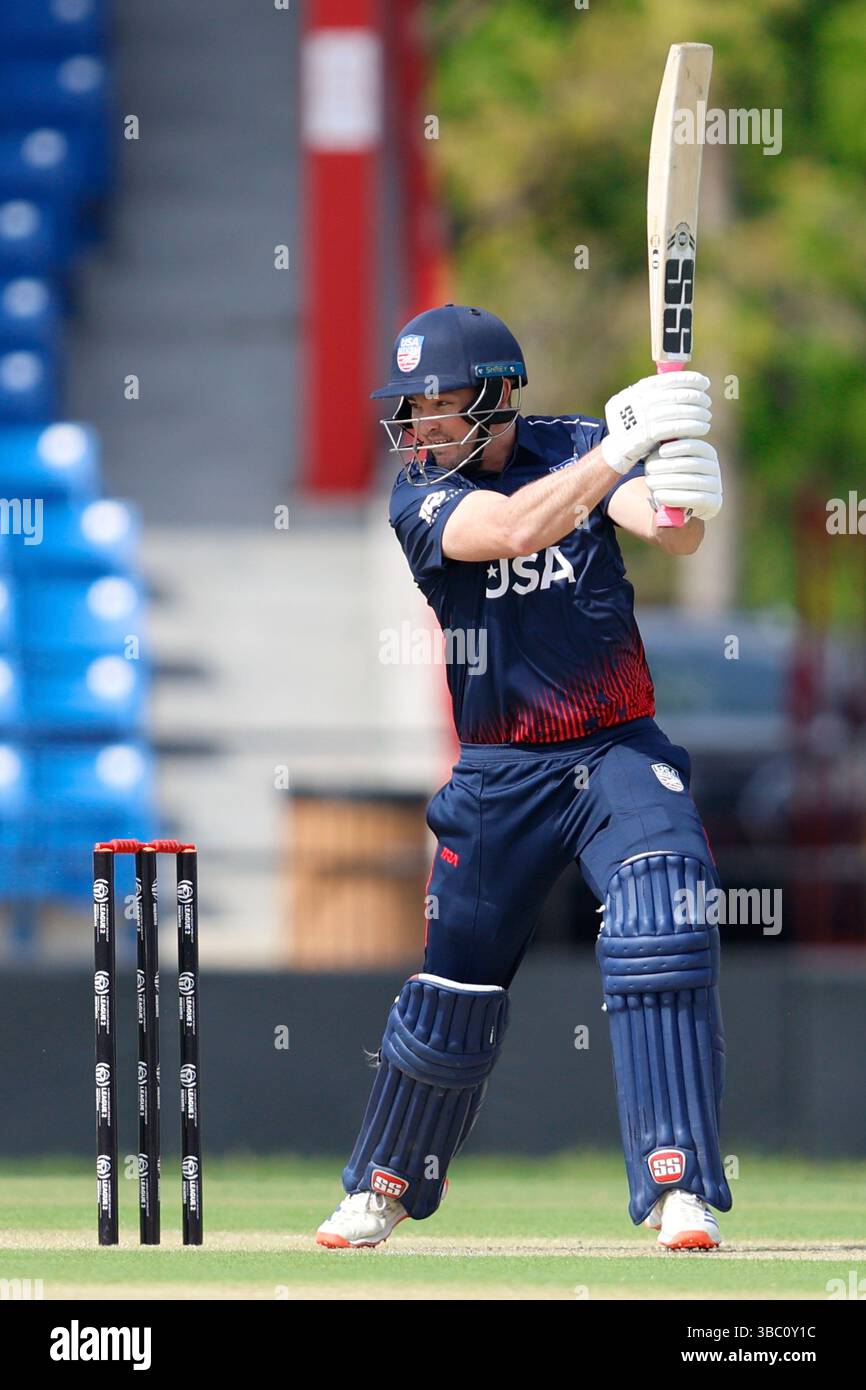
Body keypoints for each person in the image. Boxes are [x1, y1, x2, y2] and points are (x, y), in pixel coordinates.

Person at [316, 303, 729, 1252]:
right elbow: (509, 529)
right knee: (453, 990)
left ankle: (678, 1188)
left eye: (438, 404)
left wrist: (681, 493)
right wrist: (622, 450)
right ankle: (384, 1184)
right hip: (501, 772)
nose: (417, 426)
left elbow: (664, 531)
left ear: (500, 399)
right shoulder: (417, 497)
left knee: (663, 909)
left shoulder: (577, 443)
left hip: (615, 748)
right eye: (410, 406)